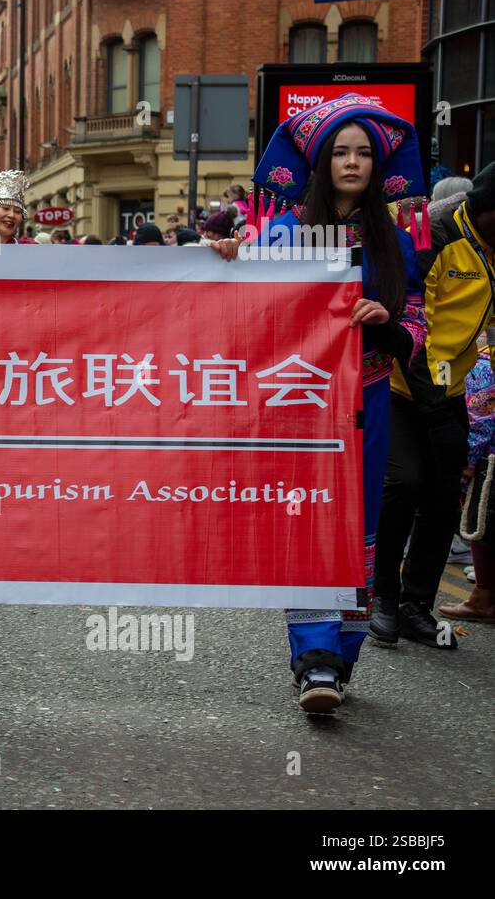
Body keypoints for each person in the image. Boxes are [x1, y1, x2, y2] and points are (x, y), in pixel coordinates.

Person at [213, 93, 427, 713]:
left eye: (363, 153)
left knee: (360, 526)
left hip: (371, 394)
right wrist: (229, 258)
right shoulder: (283, 232)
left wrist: (386, 319)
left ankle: (345, 653)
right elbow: (248, 306)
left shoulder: (395, 240)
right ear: (321, 163)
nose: (353, 162)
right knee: (311, 521)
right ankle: (315, 660)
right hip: (303, 398)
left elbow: (415, 317)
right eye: (341, 152)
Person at [371, 160, 495, 650]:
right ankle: (381, 598)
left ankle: (414, 604)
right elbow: (411, 323)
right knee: (406, 483)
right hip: (403, 381)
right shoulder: (432, 234)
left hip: (453, 389)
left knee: (445, 496)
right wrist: (437, 400)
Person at [443, 331, 495, 622]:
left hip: (489, 459)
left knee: (481, 524)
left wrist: (466, 460)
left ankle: (483, 598)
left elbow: (480, 417)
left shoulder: (481, 359)